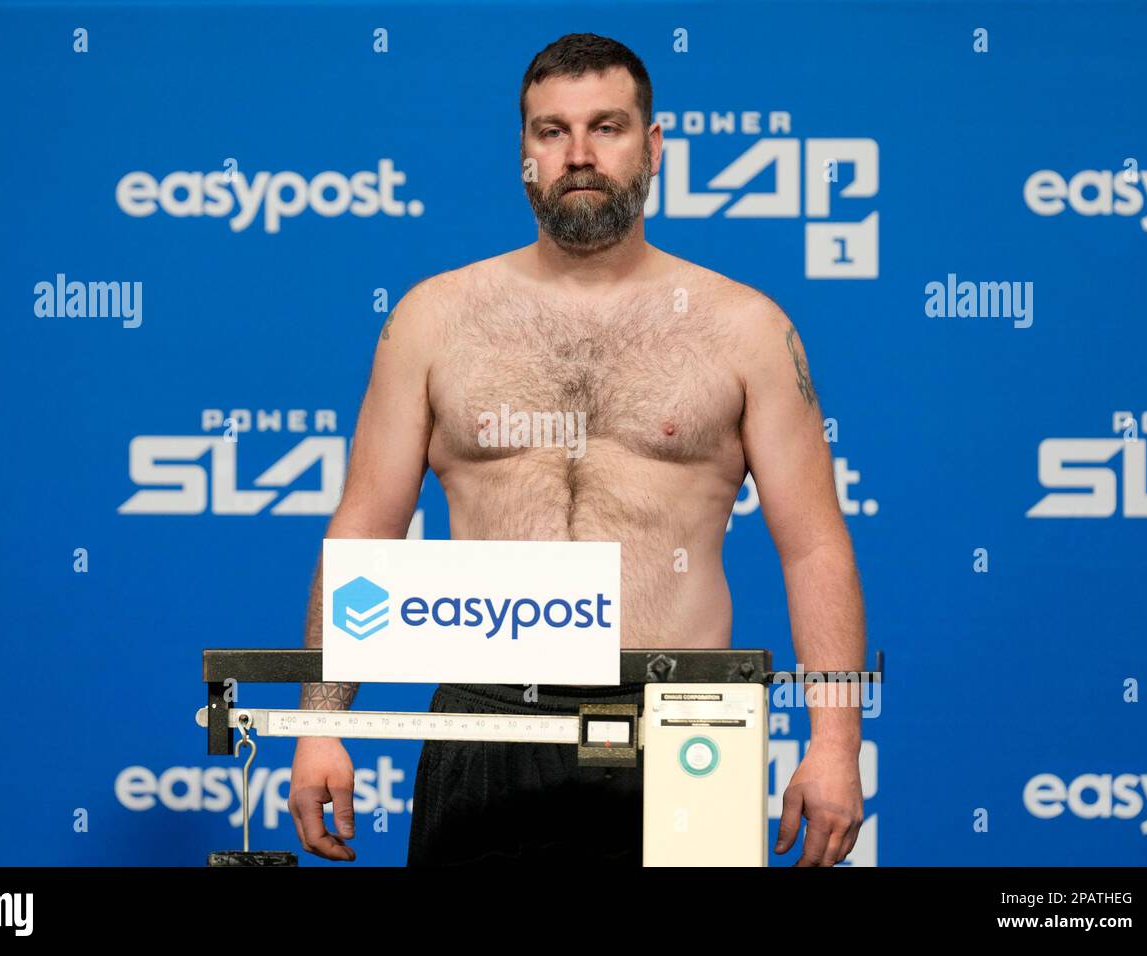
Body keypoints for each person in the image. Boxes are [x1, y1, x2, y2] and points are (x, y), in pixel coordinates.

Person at [288, 32, 866, 867]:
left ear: (654, 145)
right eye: (551, 132)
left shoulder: (745, 328)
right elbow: (365, 528)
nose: (580, 155)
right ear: (523, 150)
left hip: (686, 724)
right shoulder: (433, 320)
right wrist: (319, 724)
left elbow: (813, 546)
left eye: (608, 126)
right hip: (486, 719)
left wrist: (836, 743)